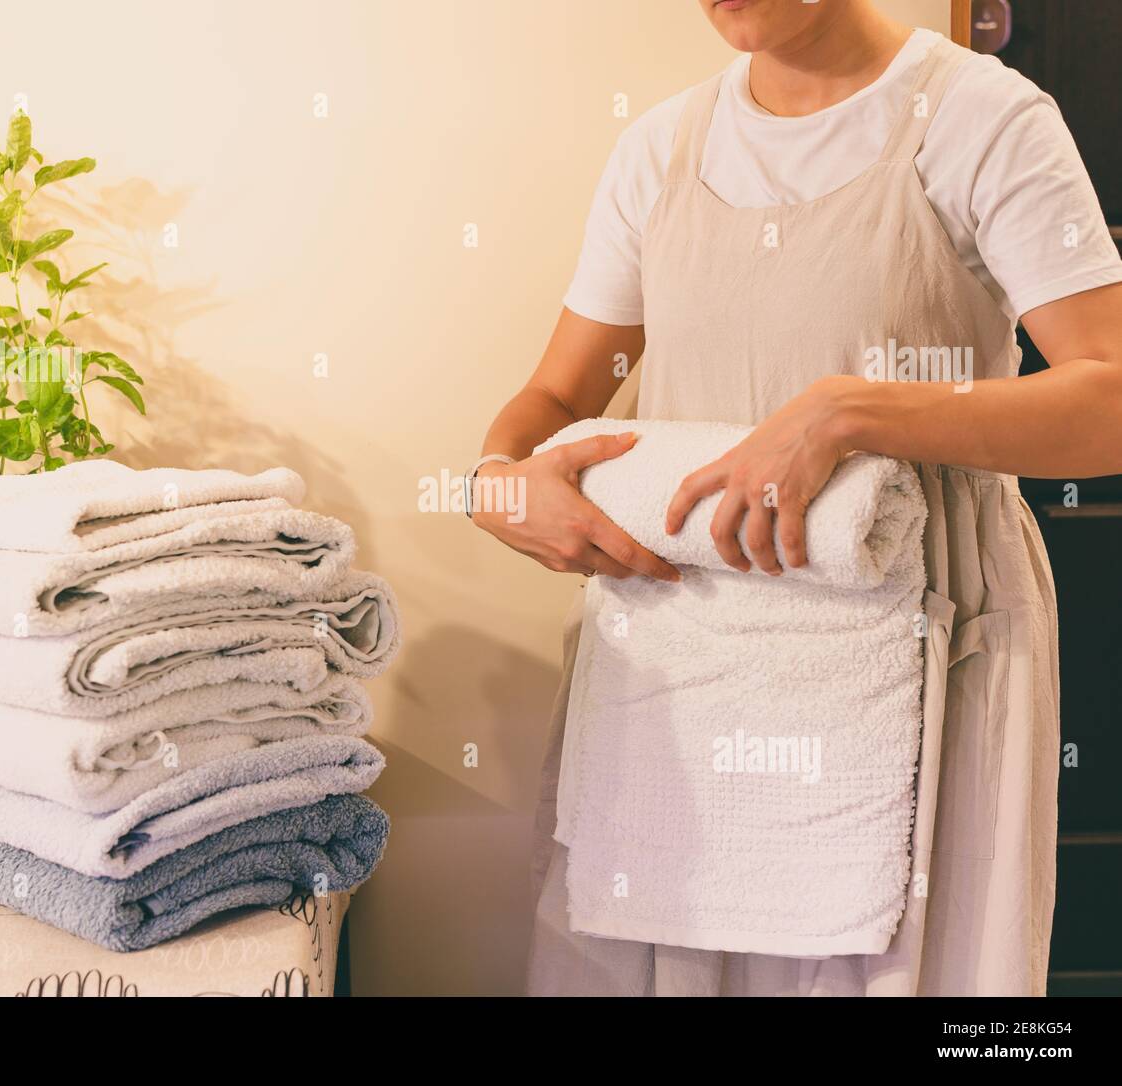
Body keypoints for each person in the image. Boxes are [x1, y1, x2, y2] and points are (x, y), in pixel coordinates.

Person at [471, 0, 1122, 996]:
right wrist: (497, 483)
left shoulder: (979, 119)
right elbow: (559, 395)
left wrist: (852, 414)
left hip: (926, 635)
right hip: (687, 656)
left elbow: (1106, 400)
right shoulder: (662, 149)